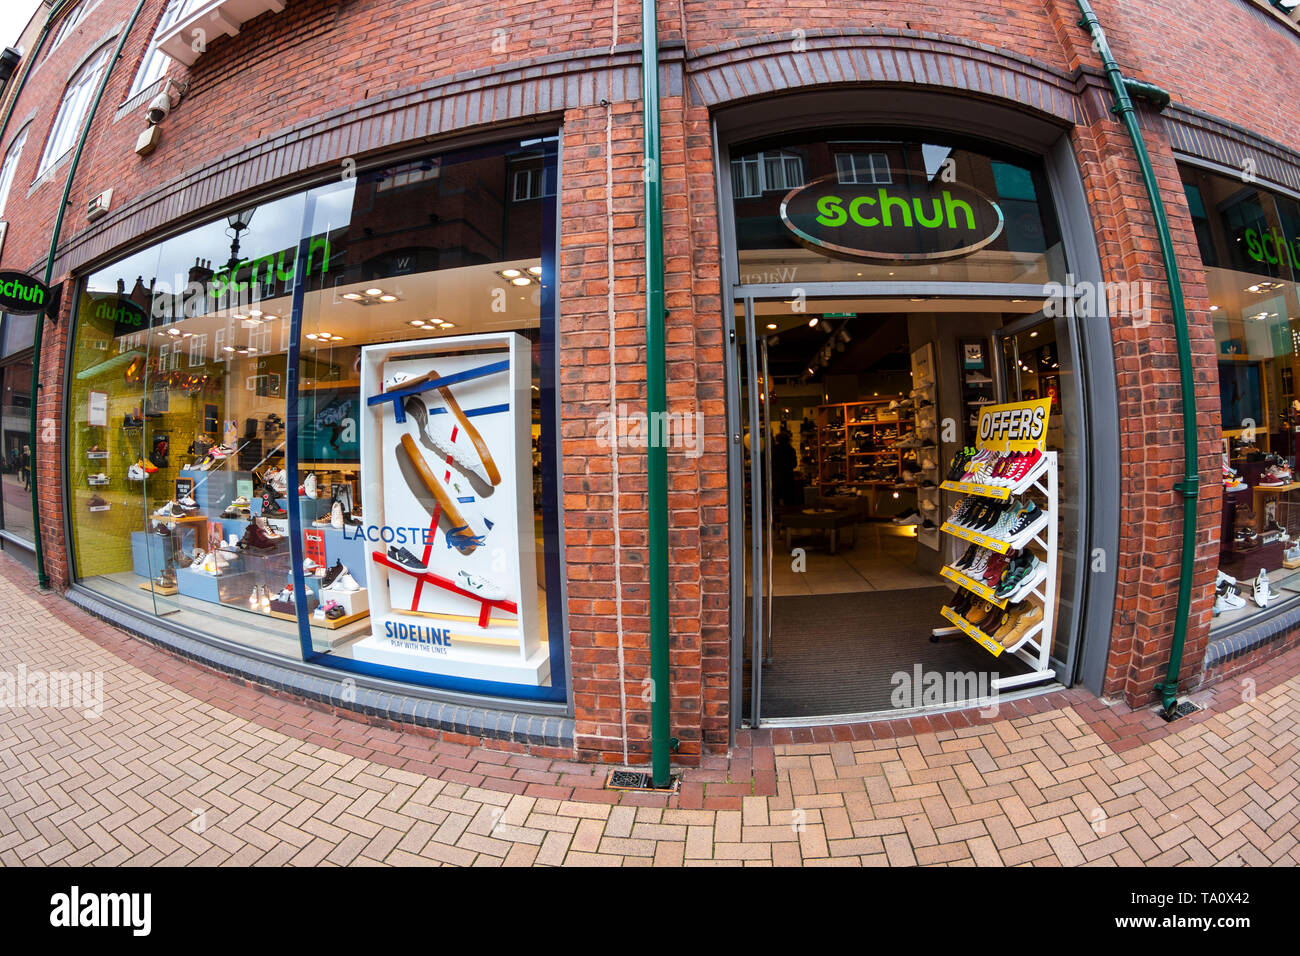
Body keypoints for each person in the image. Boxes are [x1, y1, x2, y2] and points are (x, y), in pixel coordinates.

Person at [771, 428, 799, 509]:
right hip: (788, 476)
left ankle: (776, 517)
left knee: (776, 499)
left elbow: (772, 462)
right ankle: (789, 518)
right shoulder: (791, 449)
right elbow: (794, 464)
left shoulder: (774, 449)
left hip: (777, 476)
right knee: (789, 500)